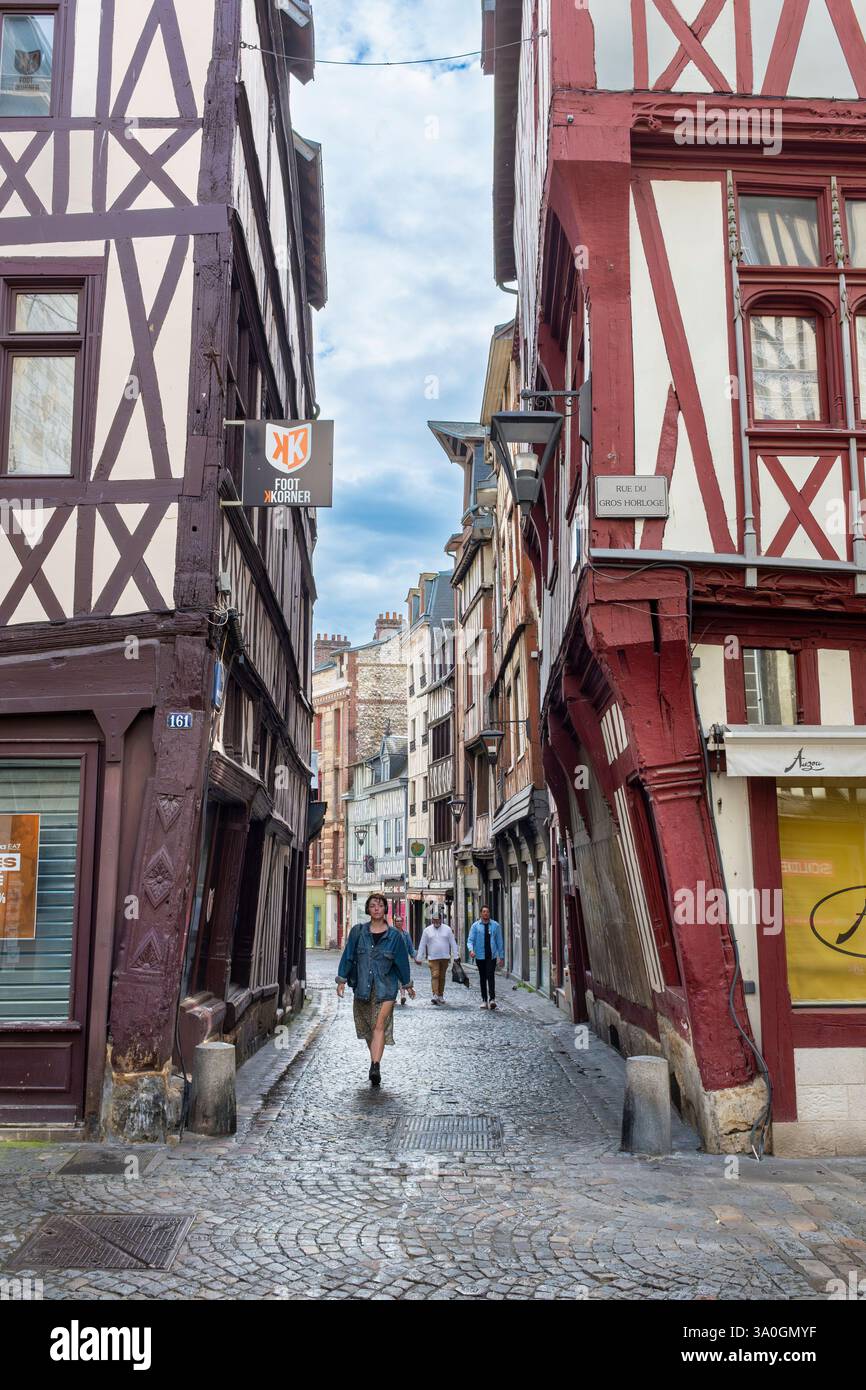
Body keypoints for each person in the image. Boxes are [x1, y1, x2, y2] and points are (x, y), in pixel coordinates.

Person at [336, 893, 414, 1085]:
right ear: (368, 910)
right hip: (362, 987)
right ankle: (375, 1059)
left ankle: (375, 1066)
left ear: (385, 909)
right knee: (369, 1030)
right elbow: (348, 956)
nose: (377, 908)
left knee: (379, 1025)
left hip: (386, 988)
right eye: (373, 905)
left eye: (380, 905)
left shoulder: (395, 937)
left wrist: (407, 985)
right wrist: (341, 979)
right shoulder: (358, 932)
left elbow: (402, 962)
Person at [415, 908, 459, 1005]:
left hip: (445, 957)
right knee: (435, 975)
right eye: (434, 920)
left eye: (437, 920)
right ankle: (435, 994)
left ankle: (440, 994)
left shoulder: (447, 929)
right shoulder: (427, 931)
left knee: (442, 976)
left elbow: (453, 943)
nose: (436, 922)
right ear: (432, 920)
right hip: (433, 958)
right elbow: (422, 944)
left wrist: (456, 956)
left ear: (441, 920)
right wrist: (419, 957)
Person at [468, 905, 504, 1011]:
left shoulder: (495, 926)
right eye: (484, 912)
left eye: (487, 912)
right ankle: (484, 1000)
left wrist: (501, 957)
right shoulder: (475, 926)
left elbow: (499, 942)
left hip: (491, 956)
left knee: (490, 976)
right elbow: (470, 940)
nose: (486, 913)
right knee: (482, 978)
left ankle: (492, 999)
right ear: (480, 914)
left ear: (489, 913)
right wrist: (471, 950)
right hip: (479, 956)